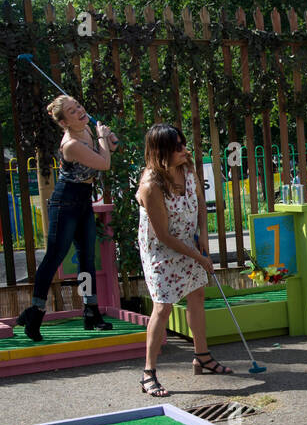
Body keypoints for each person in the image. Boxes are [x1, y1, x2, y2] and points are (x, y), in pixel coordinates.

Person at [136, 123, 230, 396]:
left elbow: (200, 203)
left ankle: (202, 356)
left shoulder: (187, 168)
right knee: (163, 307)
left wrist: (203, 236)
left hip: (188, 241)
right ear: (161, 150)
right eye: (176, 146)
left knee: (197, 294)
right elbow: (163, 235)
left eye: (182, 143)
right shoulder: (151, 185)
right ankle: (148, 373)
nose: (184, 150)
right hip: (161, 250)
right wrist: (198, 258)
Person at [15, 95, 117, 340]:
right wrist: (103, 138)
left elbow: (106, 153)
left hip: (83, 200)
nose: (80, 111)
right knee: (54, 257)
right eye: (72, 111)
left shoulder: (87, 133)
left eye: (79, 106)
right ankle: (36, 312)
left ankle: (90, 309)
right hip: (65, 202)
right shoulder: (70, 143)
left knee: (86, 258)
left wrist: (108, 140)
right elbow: (103, 164)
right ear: (64, 123)